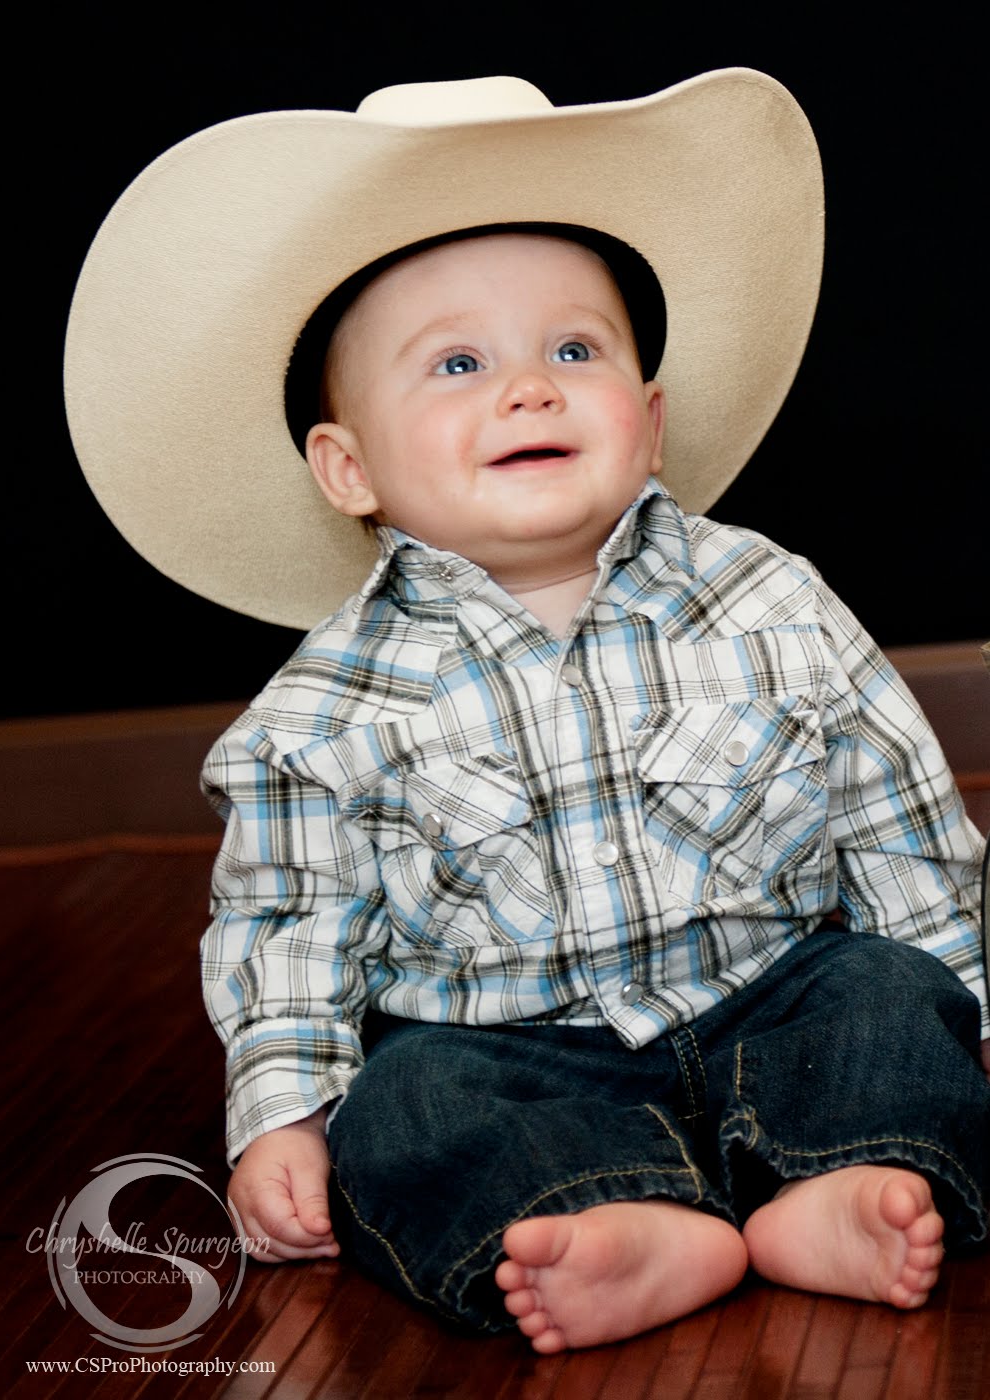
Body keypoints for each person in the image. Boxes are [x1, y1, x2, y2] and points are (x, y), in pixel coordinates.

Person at [64, 71, 989, 1353]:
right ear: (349, 469)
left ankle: (843, 1180)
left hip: (774, 1005)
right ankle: (619, 1221)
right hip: (515, 1056)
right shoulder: (321, 710)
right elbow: (289, 928)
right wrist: (279, 1113)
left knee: (892, 991)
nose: (529, 388)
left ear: (650, 422)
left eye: (574, 349)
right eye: (457, 362)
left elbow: (898, 822)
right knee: (405, 1104)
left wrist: (967, 1003)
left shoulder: (770, 599)